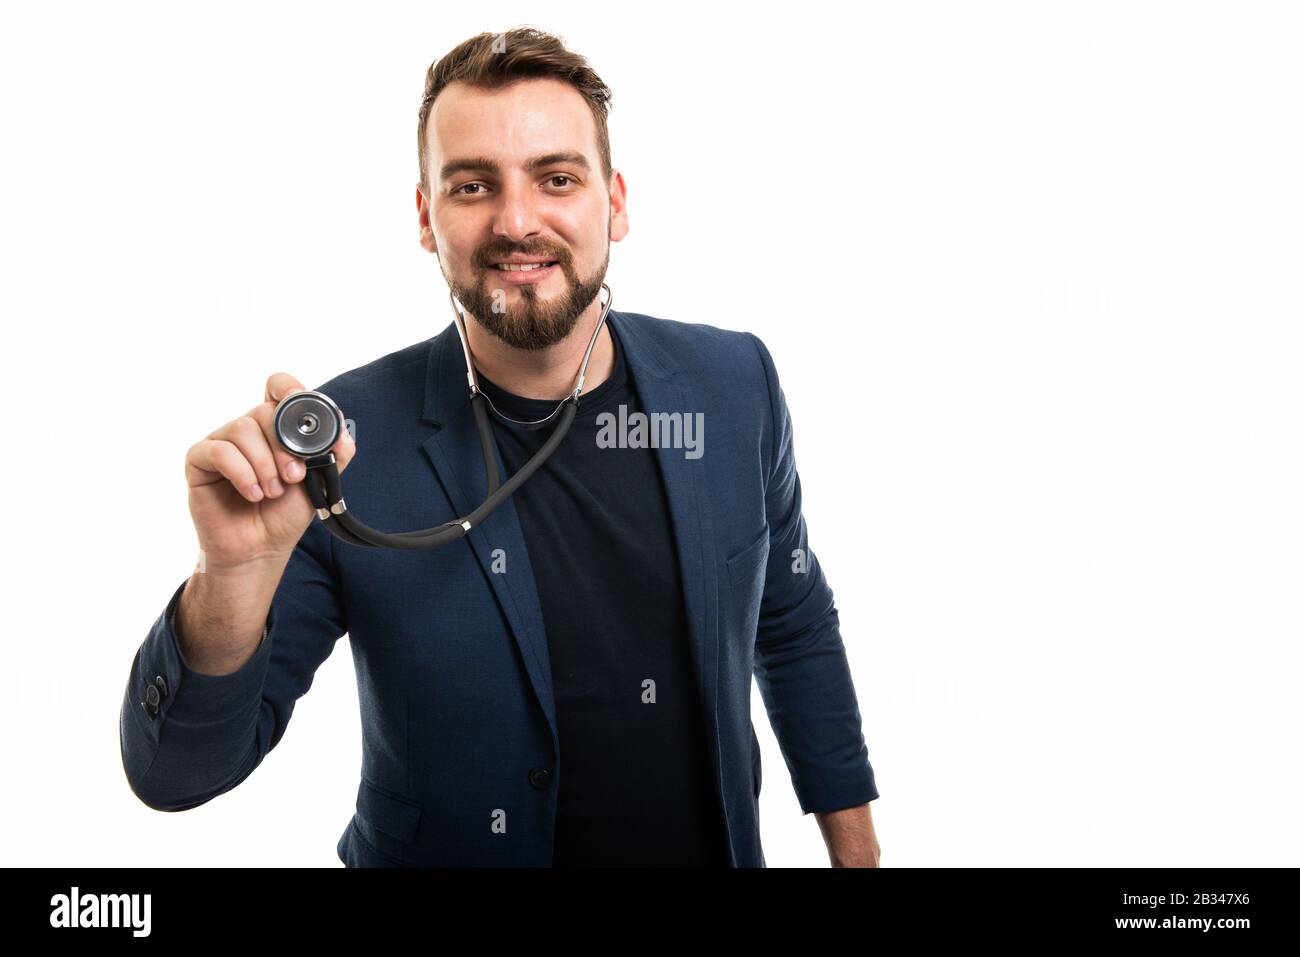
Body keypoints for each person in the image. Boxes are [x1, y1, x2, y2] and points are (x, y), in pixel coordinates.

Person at [119, 26, 881, 868]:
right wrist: (228, 578)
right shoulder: (341, 446)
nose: (517, 222)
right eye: (473, 185)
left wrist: (859, 856)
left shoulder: (736, 383)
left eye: (556, 178)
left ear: (615, 203)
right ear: (425, 217)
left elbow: (794, 623)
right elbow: (177, 771)